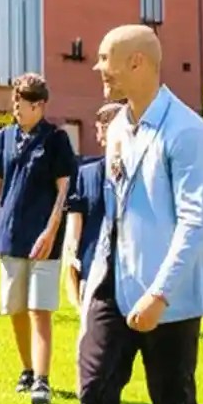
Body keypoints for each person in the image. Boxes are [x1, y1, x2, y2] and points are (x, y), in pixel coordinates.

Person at [79, 24, 203, 404]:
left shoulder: (189, 133)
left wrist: (160, 295)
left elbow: (195, 225)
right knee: (94, 391)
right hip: (113, 289)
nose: (98, 69)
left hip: (168, 299)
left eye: (104, 59)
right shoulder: (117, 126)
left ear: (137, 62)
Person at [0, 73, 77, 404]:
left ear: (38, 105)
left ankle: (42, 380)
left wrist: (51, 231)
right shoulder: (3, 138)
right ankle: (26, 369)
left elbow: (64, 190)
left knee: (40, 310)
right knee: (16, 308)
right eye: (14, 103)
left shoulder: (57, 141)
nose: (15, 110)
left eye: (20, 104)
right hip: (10, 235)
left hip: (43, 241)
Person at [63, 102, 124, 307]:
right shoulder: (85, 175)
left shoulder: (85, 175)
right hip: (94, 269)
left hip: (118, 270)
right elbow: (74, 225)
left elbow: (75, 227)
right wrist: (71, 260)